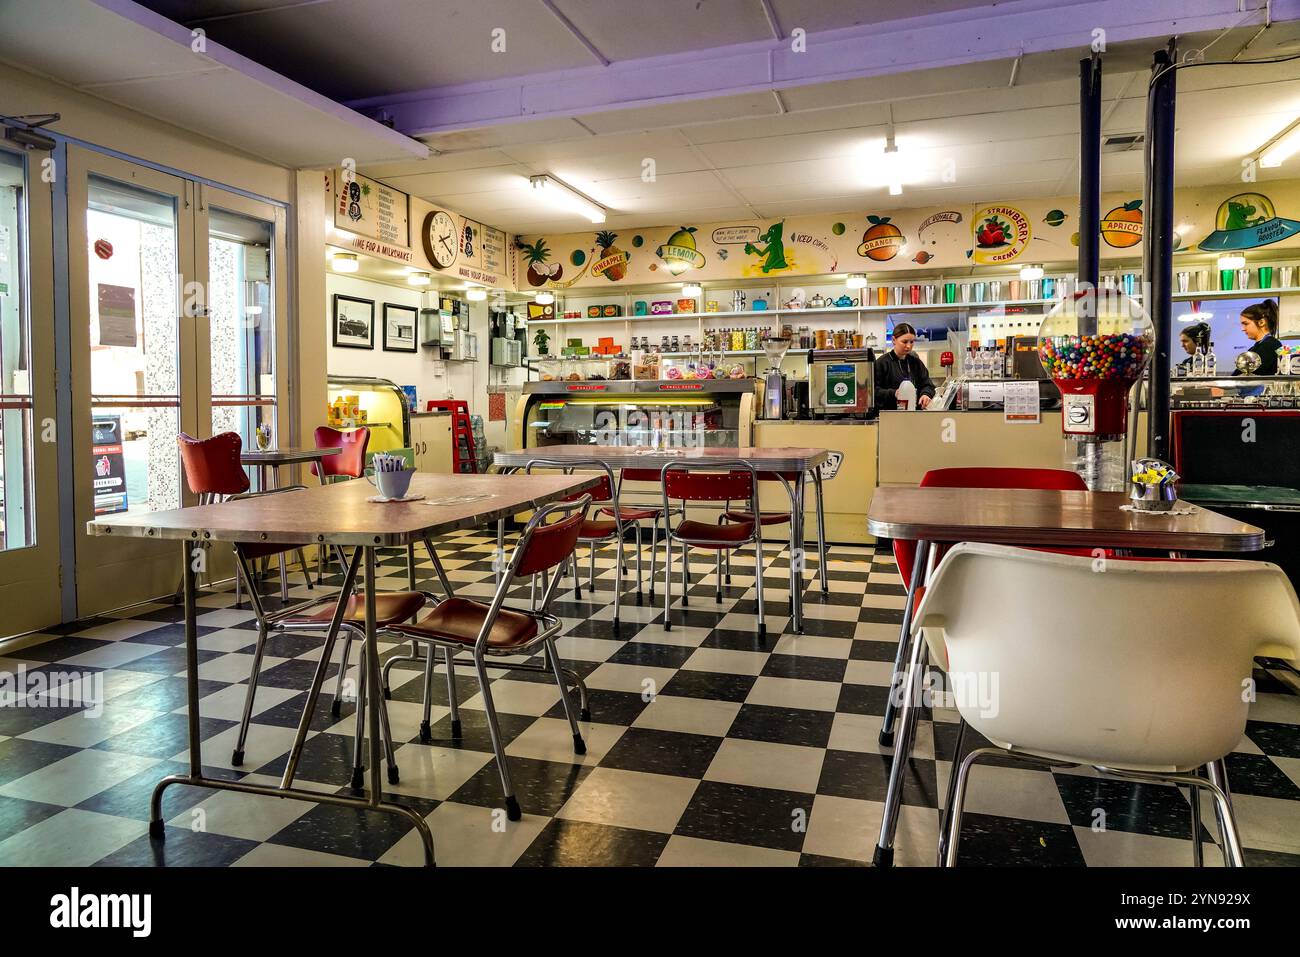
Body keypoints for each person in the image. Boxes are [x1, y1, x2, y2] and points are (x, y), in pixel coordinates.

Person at [874, 322, 935, 410]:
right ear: (894, 340)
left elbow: (927, 384)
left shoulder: (916, 363)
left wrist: (926, 394)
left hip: (913, 414)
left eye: (912, 342)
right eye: (904, 342)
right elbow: (874, 391)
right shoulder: (882, 363)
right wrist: (894, 393)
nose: (909, 346)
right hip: (889, 415)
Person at [1234, 300, 1282, 375]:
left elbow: (1247, 376)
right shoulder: (1256, 347)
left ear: (1261, 322)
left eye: (1246, 324)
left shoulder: (1271, 345)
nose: (1243, 329)